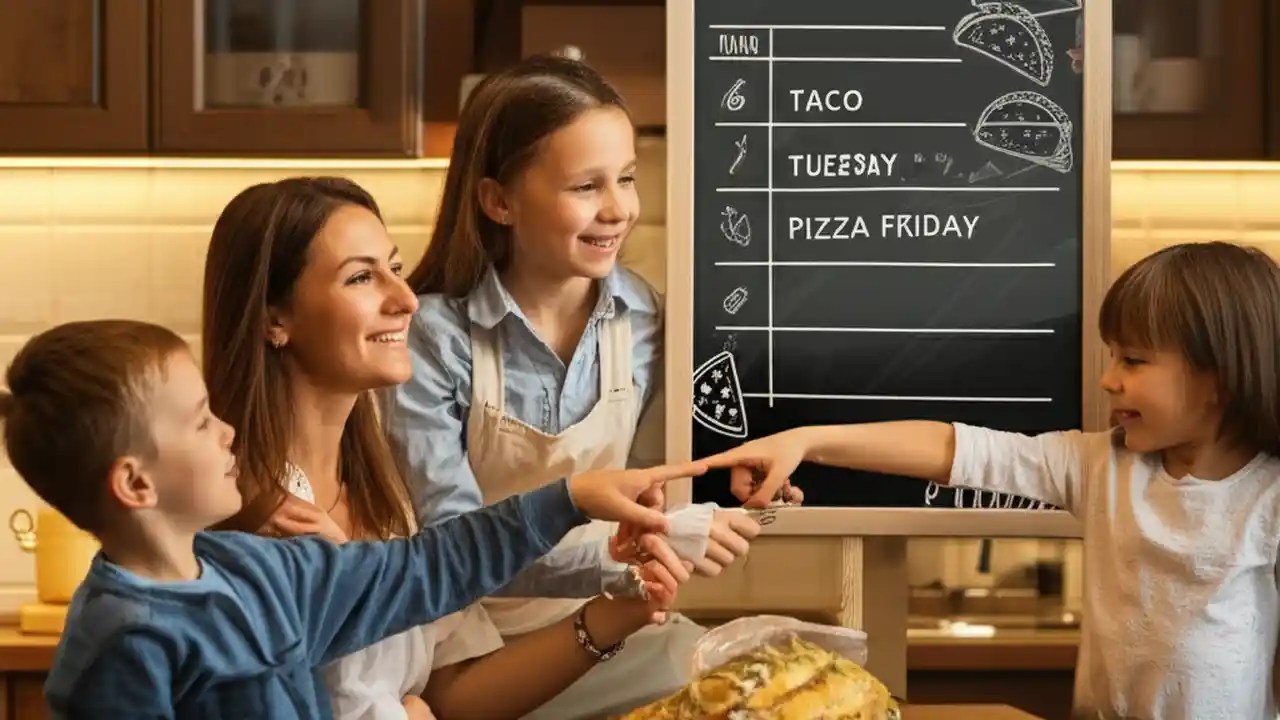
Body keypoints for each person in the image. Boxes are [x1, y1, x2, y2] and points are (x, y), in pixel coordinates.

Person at [0, 319, 702, 718]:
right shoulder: (120, 644)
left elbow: (425, 569)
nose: (227, 432)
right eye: (200, 421)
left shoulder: (262, 569)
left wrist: (569, 497)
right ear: (135, 483)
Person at [704, 241, 1280, 719]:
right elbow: (957, 449)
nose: (1108, 380)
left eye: (1133, 360)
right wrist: (806, 440)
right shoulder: (1102, 467)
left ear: (1218, 379)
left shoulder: (1268, 497)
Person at [200, 177, 697, 719]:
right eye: (361, 277)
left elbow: (454, 690)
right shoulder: (243, 516)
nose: (405, 299)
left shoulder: (391, 490)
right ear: (275, 318)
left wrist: (620, 611)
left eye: (395, 268)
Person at [384, 54, 783, 718]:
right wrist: (622, 559)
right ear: (498, 201)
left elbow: (665, 495)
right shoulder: (434, 337)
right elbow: (454, 548)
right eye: (585, 186)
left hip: (611, 622)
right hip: (469, 645)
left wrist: (734, 496)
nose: (618, 209)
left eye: (626, 178)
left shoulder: (653, 324)